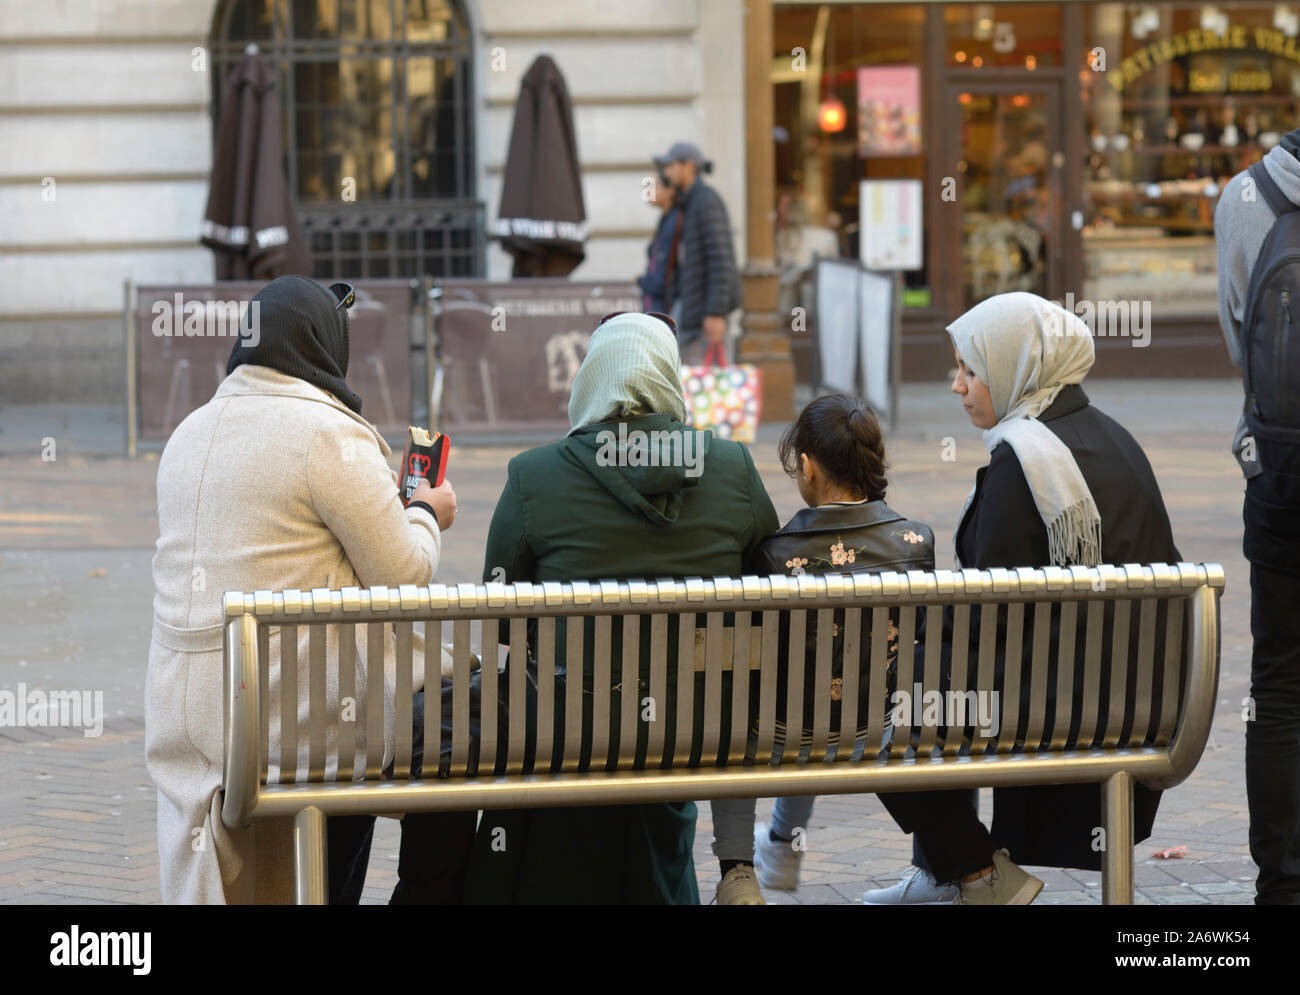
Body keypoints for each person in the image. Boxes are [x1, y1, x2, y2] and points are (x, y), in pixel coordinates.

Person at [146, 275, 466, 904]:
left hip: (191, 714)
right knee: (450, 727)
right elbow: (402, 574)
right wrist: (426, 512)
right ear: (324, 346)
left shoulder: (186, 433)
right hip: (292, 719)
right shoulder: (326, 433)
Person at [872, 291, 1180, 905]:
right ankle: (951, 869)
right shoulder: (1109, 437)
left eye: (971, 369)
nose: (956, 385)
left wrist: (906, 646)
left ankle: (969, 871)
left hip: (1060, 707)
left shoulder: (1028, 464)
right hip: (1142, 699)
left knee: (884, 694)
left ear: (1017, 368)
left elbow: (987, 622)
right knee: (928, 667)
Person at [463, 311, 779, 903]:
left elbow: (502, 615)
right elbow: (768, 593)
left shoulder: (533, 475)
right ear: (669, 377)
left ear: (591, 377)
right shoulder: (731, 467)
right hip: (693, 726)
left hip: (566, 728)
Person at [708, 394, 935, 904]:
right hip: (882, 725)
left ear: (807, 467)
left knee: (782, 698)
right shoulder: (917, 543)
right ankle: (783, 844)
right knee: (828, 690)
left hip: (781, 733)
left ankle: (747, 867)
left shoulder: (775, 555)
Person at [1215, 129, 1300, 904]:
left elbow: (1239, 336)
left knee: (1276, 685)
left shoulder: (1245, 199)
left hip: (1281, 476)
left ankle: (1282, 882)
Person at [656, 141, 740, 365]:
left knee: (710, 383)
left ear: (689, 166)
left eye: (671, 165)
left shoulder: (706, 201)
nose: (666, 172)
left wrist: (715, 312)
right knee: (693, 382)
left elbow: (721, 260)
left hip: (705, 313)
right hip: (691, 308)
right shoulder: (687, 202)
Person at [637, 168, 680, 314]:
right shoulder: (666, 220)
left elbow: (663, 275)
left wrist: (642, 281)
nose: (648, 191)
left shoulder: (674, 222)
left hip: (665, 306)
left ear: (670, 190)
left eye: (653, 185)